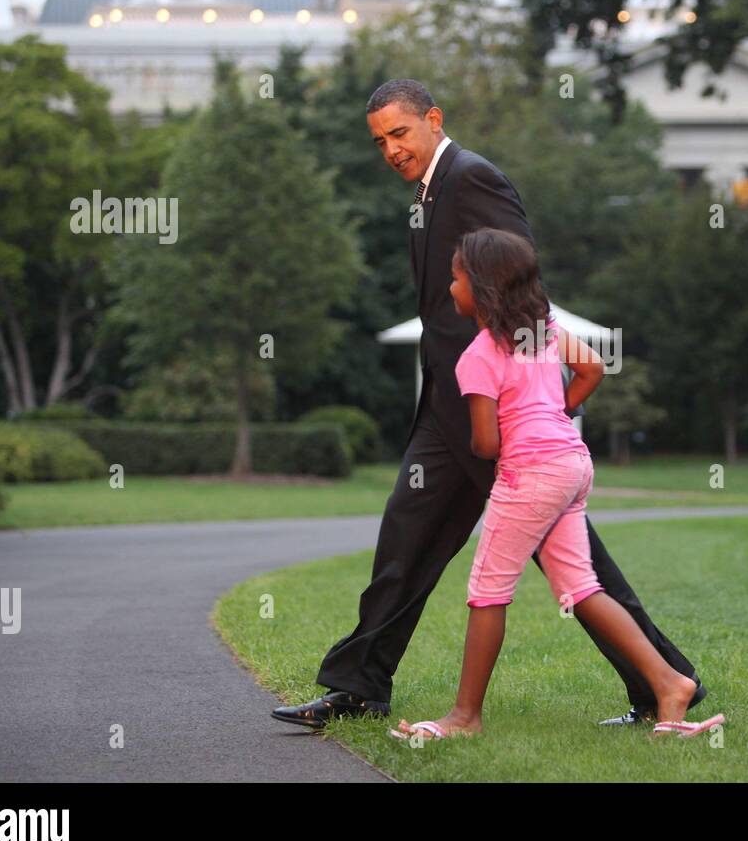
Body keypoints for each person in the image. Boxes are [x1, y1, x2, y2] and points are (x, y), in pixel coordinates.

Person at [272, 79, 706, 729]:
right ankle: (357, 685)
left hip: (493, 412)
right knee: (405, 544)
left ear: (433, 120)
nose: (390, 149)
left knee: (576, 566)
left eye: (399, 133)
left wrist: (528, 397)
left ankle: (663, 683)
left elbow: (518, 277)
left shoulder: (473, 179)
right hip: (447, 413)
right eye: (379, 141)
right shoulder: (425, 193)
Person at [390, 229, 723, 740]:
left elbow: (485, 444)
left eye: (455, 277)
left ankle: (465, 717)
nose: (449, 286)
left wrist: (510, 429)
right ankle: (670, 682)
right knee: (581, 588)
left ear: (480, 287)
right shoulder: (542, 331)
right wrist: (556, 413)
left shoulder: (477, 357)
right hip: (572, 464)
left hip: (531, 476)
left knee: (487, 591)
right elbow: (591, 368)